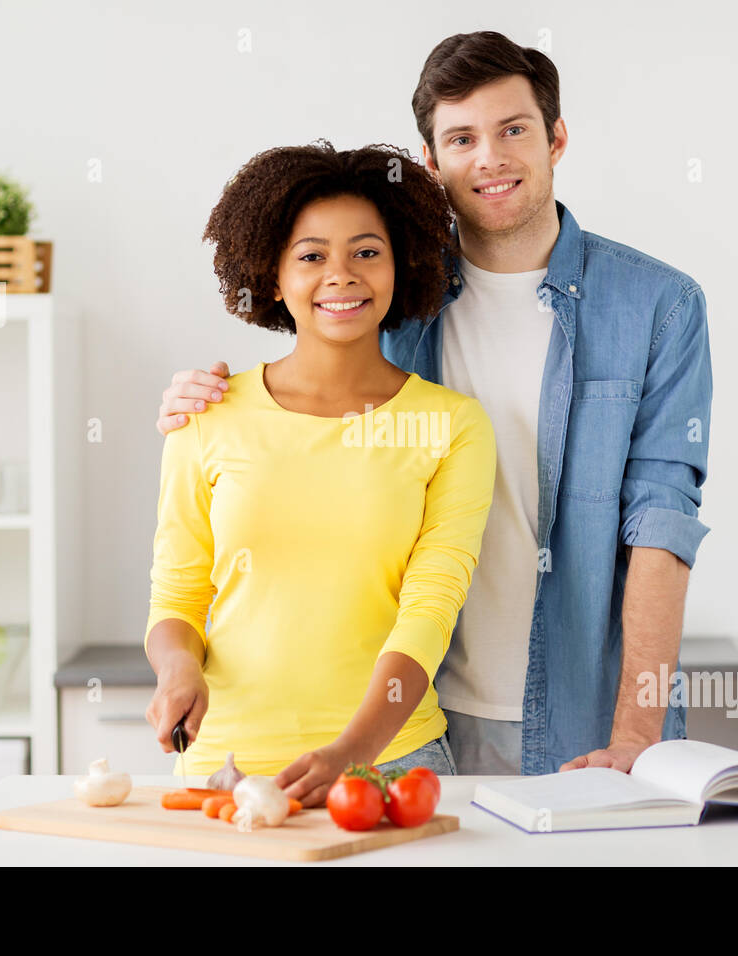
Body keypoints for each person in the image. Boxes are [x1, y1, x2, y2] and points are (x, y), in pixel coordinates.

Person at [156, 32, 713, 776]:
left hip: (590, 717)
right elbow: (300, 408)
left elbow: (662, 523)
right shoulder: (392, 293)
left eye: (514, 130)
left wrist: (637, 736)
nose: (490, 158)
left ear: (556, 139)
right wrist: (201, 397)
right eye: (461, 138)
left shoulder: (658, 306)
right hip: (416, 715)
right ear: (430, 161)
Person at [143, 141, 496, 806]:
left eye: (366, 251)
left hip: (389, 763)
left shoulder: (454, 427)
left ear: (400, 266)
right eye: (311, 256)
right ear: (273, 276)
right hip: (223, 764)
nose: (341, 275)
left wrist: (351, 752)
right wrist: (178, 669)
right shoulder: (207, 415)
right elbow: (177, 597)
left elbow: (430, 609)